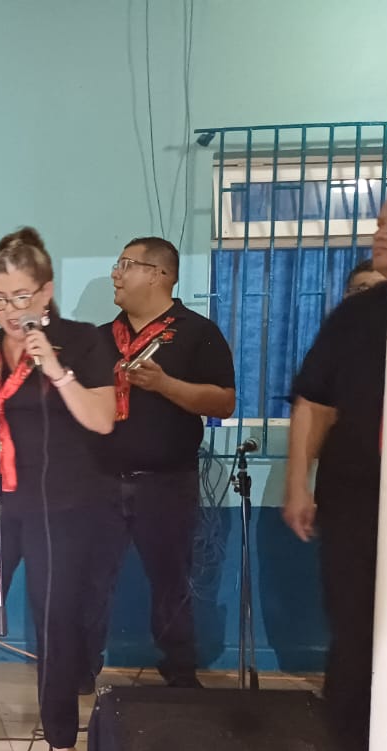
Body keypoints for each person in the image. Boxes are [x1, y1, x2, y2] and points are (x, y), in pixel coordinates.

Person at [0, 228, 116, 751]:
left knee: (55, 619)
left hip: (58, 506)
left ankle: (60, 737)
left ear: (46, 292)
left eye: (20, 297)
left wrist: (56, 370)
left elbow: (102, 420)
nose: (10, 311)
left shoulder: (82, 341)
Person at [83, 238, 236, 692]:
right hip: (101, 481)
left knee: (171, 583)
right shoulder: (99, 339)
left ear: (159, 274)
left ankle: (180, 674)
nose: (115, 274)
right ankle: (79, 672)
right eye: (117, 265)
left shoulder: (197, 332)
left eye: (126, 265)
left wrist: (165, 384)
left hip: (167, 482)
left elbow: (224, 402)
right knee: (90, 580)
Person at [283, 195, 387, 751]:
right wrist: (298, 484)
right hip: (356, 500)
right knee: (354, 632)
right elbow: (314, 401)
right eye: (380, 223)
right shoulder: (357, 316)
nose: (380, 233)